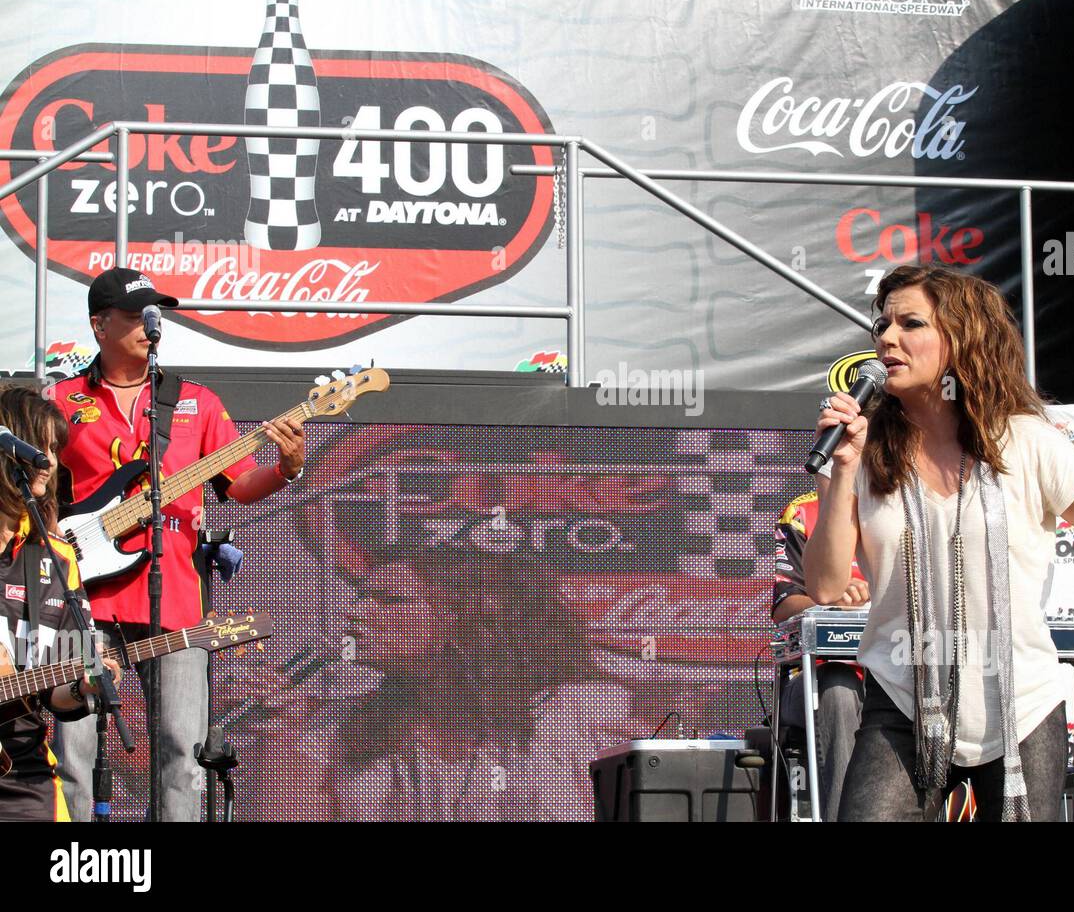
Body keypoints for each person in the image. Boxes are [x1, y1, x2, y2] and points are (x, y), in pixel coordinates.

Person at [804, 264, 1074, 822]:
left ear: (963, 339)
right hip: (903, 699)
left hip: (1021, 707)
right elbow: (827, 584)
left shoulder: (1028, 443)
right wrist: (842, 471)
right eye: (881, 325)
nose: (886, 338)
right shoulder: (858, 446)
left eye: (910, 323)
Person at [51, 267, 306, 822]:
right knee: (73, 759)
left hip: (177, 602)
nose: (151, 324)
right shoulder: (62, 401)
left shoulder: (196, 401)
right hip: (81, 603)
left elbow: (239, 485)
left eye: (156, 313)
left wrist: (287, 468)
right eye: (136, 315)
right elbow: (38, 496)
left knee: (182, 758)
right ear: (99, 325)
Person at [218, 549, 632, 821]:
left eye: (389, 600)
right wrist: (281, 739)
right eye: (361, 596)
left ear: (463, 615)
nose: (356, 612)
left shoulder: (571, 713)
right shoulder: (335, 724)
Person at [0, 385, 121, 821]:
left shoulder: (56, 558)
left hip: (22, 774)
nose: (49, 462)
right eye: (39, 446)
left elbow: (57, 695)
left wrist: (85, 684)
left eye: (54, 450)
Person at [771, 489, 869, 821]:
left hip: (893, 676)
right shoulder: (803, 511)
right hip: (813, 682)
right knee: (839, 688)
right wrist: (831, 602)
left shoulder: (902, 504)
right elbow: (784, 605)